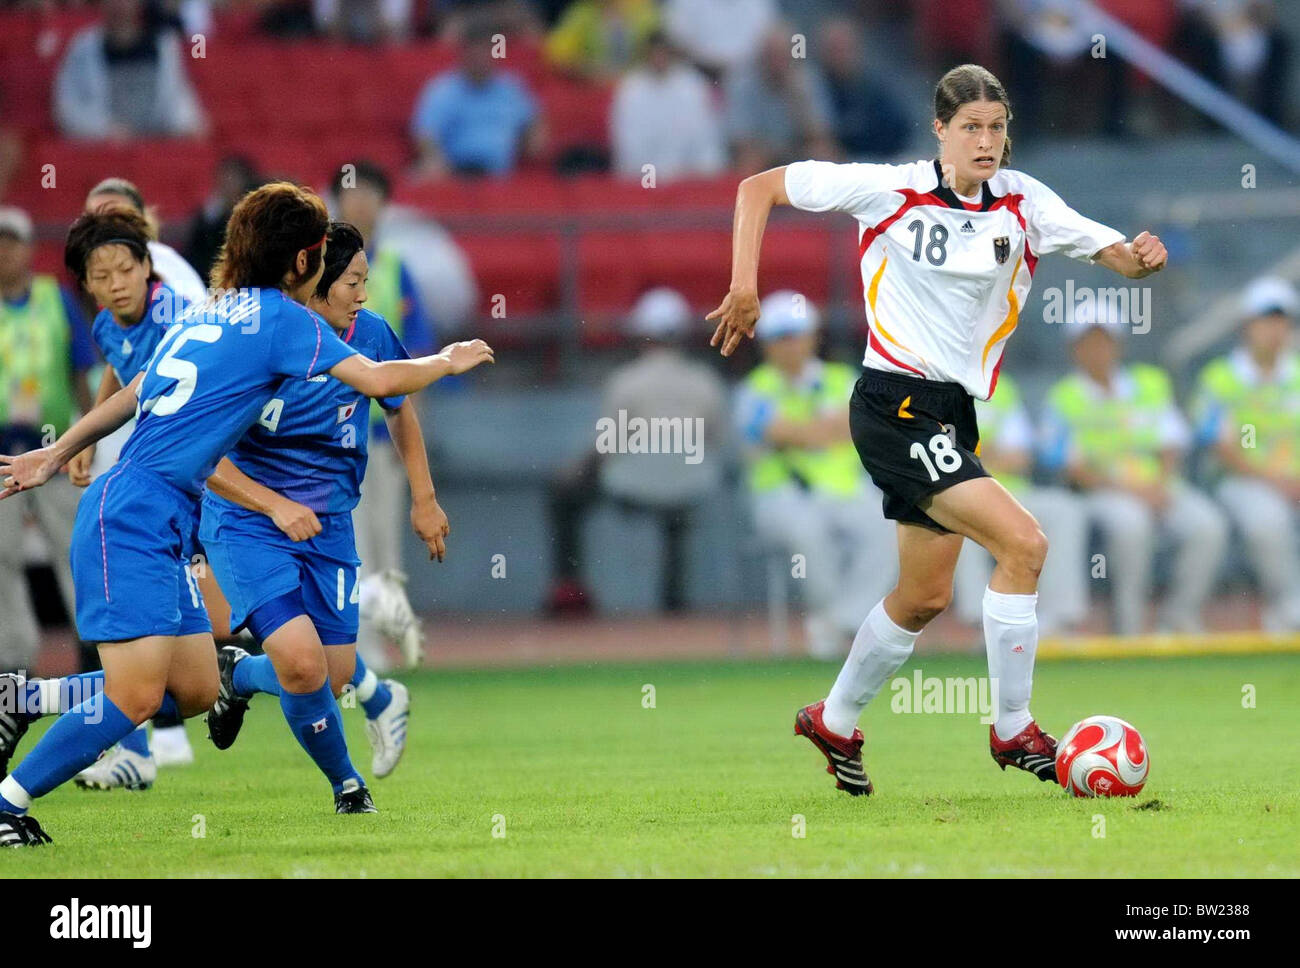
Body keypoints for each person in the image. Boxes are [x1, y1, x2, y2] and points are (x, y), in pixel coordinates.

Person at [707, 64, 1169, 797]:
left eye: (997, 127)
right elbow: (755, 187)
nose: (986, 142)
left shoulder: (1024, 202)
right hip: (894, 403)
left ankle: (833, 719)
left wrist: (1140, 260)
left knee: (923, 598)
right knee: (1025, 543)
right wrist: (744, 283)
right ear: (940, 131)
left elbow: (1114, 255)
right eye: (971, 128)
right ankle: (1014, 728)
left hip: (951, 412)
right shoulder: (887, 190)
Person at [0, 182, 494, 844]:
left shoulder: (217, 309)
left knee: (200, 688)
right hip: (136, 516)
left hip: (161, 517)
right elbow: (379, 381)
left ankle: (26, 698)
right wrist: (446, 361)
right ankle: (8, 803)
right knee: (138, 696)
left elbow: (144, 387)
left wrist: (58, 450)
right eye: (320, 254)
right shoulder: (286, 320)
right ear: (300, 261)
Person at [201, 221, 447, 787]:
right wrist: (269, 506)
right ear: (314, 280)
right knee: (301, 661)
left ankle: (237, 677)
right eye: (354, 281)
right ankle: (348, 787)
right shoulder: (255, 341)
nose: (364, 293)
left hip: (328, 520)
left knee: (332, 675)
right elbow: (207, 453)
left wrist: (424, 499)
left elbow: (397, 405)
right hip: (247, 519)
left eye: (366, 280)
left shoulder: (371, 334)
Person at [1042, 309, 1227, 634]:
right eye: (1089, 342)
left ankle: (1177, 619)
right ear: (1074, 349)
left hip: (1159, 486)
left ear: (1119, 345)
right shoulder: (1063, 396)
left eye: (1105, 341)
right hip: (1102, 493)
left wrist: (1160, 485)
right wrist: (1133, 492)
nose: (1098, 350)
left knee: (1207, 525)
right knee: (1131, 526)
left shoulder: (1149, 383)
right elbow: (1068, 466)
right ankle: (1131, 628)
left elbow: (1172, 443)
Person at [733, 290, 896, 658]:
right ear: (766, 345)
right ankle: (828, 617)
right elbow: (787, 432)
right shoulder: (754, 389)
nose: (789, 347)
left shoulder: (843, 378)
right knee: (809, 533)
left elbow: (857, 427)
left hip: (843, 489)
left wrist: (800, 431)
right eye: (779, 338)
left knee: (889, 527)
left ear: (813, 336)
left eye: (796, 335)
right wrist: (824, 428)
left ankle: (842, 621)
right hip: (780, 495)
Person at [546, 288, 727, 614]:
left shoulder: (626, 380)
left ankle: (569, 587)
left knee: (565, 496)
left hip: (631, 486)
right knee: (676, 518)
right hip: (692, 484)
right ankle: (674, 602)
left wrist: (578, 469)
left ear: (642, 335)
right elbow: (717, 439)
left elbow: (606, 444)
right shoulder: (705, 381)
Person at [330, 162, 434, 669]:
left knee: (386, 543)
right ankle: (363, 651)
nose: (361, 203)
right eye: (351, 193)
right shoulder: (317, 278)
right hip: (335, 434)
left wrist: (417, 428)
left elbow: (418, 357)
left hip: (381, 431)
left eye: (370, 193)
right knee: (353, 545)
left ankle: (385, 642)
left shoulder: (394, 269)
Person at [0, 206, 95, 675]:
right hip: (1, 455)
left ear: (29, 248)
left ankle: (95, 648)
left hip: (54, 450)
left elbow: (82, 370)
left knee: (74, 551)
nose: (4, 253)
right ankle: (12, 664)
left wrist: (87, 442)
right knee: (1, 560)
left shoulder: (54, 299)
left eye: (11, 242)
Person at [1195, 276, 1300, 632]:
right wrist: (1277, 482)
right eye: (1265, 320)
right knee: (1267, 519)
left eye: (1281, 320)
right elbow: (1219, 446)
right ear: (1247, 326)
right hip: (1240, 482)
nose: (1274, 329)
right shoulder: (1222, 377)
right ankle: (1287, 609)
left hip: (1294, 482)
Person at [951, 371, 1088, 635]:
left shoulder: (1000, 388)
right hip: (958, 494)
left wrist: (971, 452)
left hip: (1009, 490)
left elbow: (1021, 457)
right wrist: (988, 452)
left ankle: (1057, 621)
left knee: (1064, 509)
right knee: (958, 523)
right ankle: (982, 624)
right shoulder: (925, 386)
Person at [54, 0, 206, 141]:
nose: (120, 5)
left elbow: (178, 99)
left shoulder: (165, 46)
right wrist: (104, 130)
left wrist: (186, 125)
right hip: (104, 150)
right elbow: (68, 108)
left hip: (155, 148)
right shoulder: (83, 48)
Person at [410, 20, 545, 178]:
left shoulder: (511, 88)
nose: (481, 57)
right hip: (455, 171)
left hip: (501, 174)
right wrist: (436, 161)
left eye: (486, 50)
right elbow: (425, 134)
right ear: (464, 53)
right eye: (476, 50)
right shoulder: (442, 89)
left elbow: (535, 122)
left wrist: (533, 139)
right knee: (423, 175)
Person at [609, 30, 726, 182]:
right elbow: (628, 149)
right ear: (646, 56)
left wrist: (694, 177)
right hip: (643, 182)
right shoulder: (630, 91)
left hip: (689, 180)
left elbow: (706, 141)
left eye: (663, 53)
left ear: (672, 54)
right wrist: (656, 179)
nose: (659, 59)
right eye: (655, 54)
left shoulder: (693, 87)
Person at [725, 23, 837, 175]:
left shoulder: (807, 81)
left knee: (824, 154)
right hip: (761, 151)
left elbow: (821, 134)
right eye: (771, 56)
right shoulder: (743, 85)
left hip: (799, 149)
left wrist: (796, 98)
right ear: (761, 57)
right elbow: (741, 140)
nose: (776, 63)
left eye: (782, 56)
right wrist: (773, 151)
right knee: (749, 162)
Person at [185, 155, 261, 286]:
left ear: (245, 183)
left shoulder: (255, 219)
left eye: (231, 180)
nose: (226, 185)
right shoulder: (206, 218)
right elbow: (196, 257)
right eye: (222, 179)